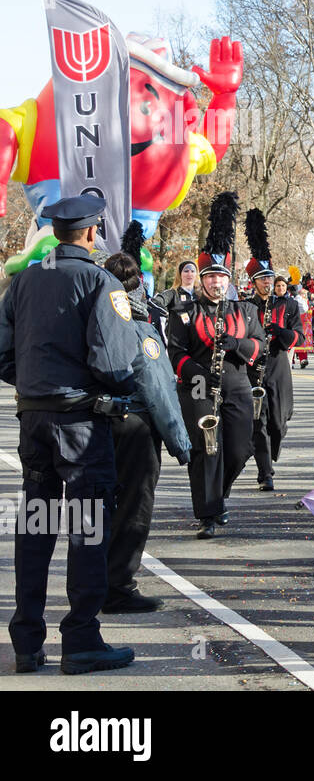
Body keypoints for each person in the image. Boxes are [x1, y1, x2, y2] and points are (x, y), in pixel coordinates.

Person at [0, 195, 139, 674]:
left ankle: (26, 641)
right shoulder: (98, 281)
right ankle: (81, 638)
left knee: (35, 528)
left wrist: (38, 385)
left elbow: (3, 357)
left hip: (33, 419)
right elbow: (116, 363)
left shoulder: (23, 282)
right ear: (91, 233)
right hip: (80, 423)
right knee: (86, 530)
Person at [168, 192, 266, 539]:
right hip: (198, 387)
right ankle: (208, 513)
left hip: (237, 383)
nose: (215, 282)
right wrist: (198, 372)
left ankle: (219, 495)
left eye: (220, 276)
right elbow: (176, 353)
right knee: (206, 449)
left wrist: (237, 344)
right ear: (201, 280)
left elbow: (260, 345)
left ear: (229, 278)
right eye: (209, 277)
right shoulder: (184, 312)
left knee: (239, 450)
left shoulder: (245, 310)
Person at [101, 240, 191, 613]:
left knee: (99, 506)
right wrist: (181, 442)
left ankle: (96, 582)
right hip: (134, 425)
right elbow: (157, 389)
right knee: (134, 505)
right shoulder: (140, 328)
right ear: (138, 287)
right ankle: (119, 586)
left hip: (95, 423)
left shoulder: (93, 319)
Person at [243, 209, 302, 491]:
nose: (268, 283)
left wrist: (281, 332)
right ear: (254, 282)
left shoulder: (288, 305)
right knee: (259, 422)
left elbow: (299, 336)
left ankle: (270, 454)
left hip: (279, 367)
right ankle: (265, 471)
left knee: (278, 422)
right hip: (254, 370)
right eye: (262, 279)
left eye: (270, 279)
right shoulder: (245, 306)